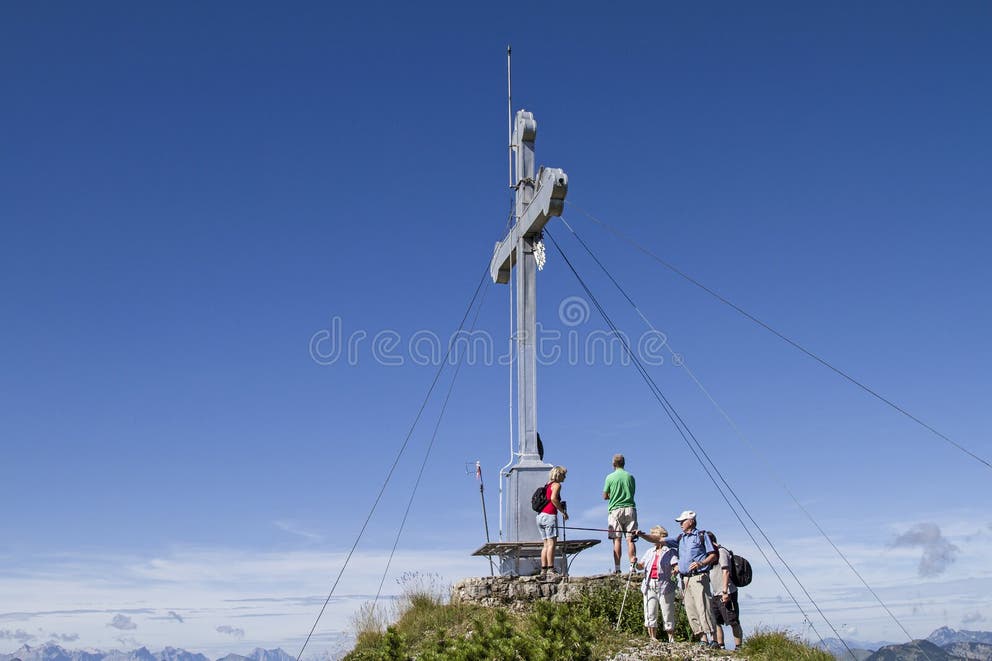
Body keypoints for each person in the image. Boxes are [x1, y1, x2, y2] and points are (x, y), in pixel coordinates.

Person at [674, 510, 718, 647]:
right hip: (685, 579)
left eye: (683, 521)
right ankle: (702, 638)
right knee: (690, 609)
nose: (680, 524)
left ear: (691, 521)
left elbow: (713, 555)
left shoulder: (701, 535)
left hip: (699, 576)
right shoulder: (680, 538)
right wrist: (641, 535)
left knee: (703, 607)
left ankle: (714, 639)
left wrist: (701, 563)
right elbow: (660, 540)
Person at [635, 525, 679, 642]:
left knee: (667, 611)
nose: (651, 538)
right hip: (649, 584)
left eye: (653, 535)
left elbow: (676, 565)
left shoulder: (670, 551)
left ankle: (671, 637)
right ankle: (652, 637)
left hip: (665, 584)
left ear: (660, 536)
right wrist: (635, 563)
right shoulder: (649, 552)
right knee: (650, 610)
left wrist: (675, 571)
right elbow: (641, 566)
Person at [708, 532, 743, 649]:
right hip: (716, 593)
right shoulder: (711, 555)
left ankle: (738, 647)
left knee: (733, 620)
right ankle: (721, 645)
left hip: (727, 591)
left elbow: (726, 571)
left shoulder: (722, 551)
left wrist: (725, 591)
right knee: (716, 621)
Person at [603, 453, 637, 573]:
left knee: (617, 540)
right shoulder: (630, 477)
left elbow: (605, 495)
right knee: (631, 539)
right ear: (624, 463)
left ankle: (617, 569)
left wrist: (613, 495)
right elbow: (632, 492)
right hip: (630, 508)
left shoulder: (610, 477)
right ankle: (632, 567)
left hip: (615, 510)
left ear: (613, 464)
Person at [536, 465, 568, 577]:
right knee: (551, 544)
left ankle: (543, 570)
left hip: (540, 516)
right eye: (564, 475)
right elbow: (553, 498)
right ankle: (551, 569)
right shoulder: (556, 485)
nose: (565, 477)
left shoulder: (547, 485)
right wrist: (563, 511)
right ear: (559, 475)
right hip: (549, 515)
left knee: (545, 544)